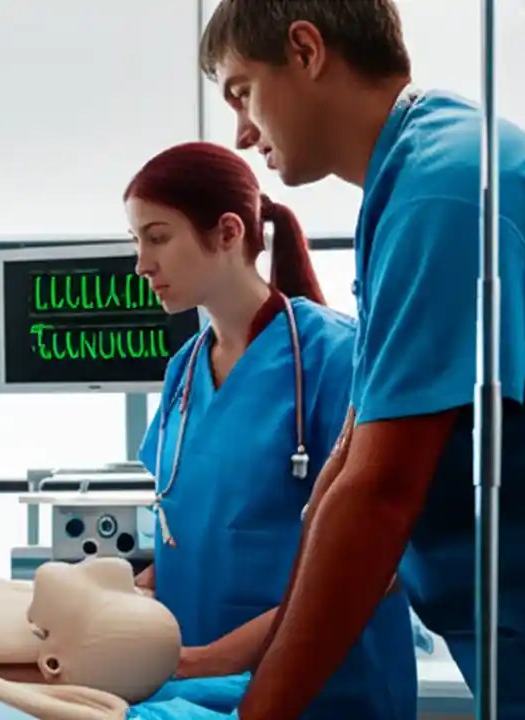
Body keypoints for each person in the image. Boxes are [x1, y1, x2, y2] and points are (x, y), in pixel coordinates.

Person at [197, 1, 525, 718]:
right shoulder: (410, 180)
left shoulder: (448, 190)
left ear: (306, 49)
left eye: (242, 92)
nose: (241, 131)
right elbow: (345, 472)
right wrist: (224, 668)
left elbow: (378, 494)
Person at [125, 141, 416, 719]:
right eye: (137, 242)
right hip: (199, 687)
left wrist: (218, 658)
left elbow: (388, 559)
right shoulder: (183, 369)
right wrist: (122, 603)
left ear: (229, 232)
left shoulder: (334, 358)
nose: (141, 263)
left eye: (157, 237)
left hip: (328, 691)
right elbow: (191, 534)